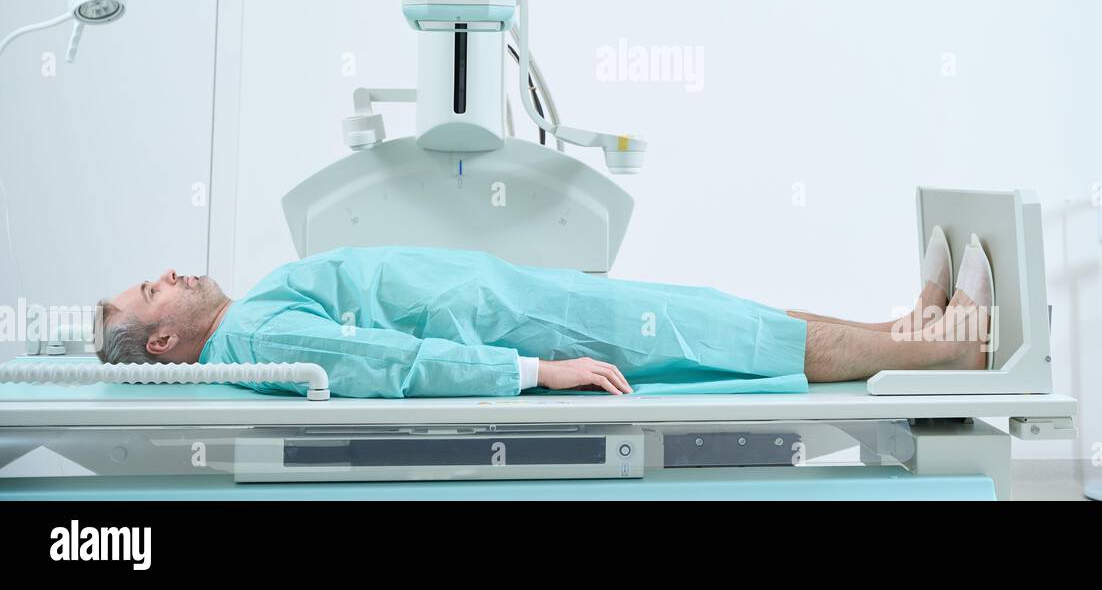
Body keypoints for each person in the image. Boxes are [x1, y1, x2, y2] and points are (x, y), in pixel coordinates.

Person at [94, 228, 993, 398]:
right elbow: (385, 364)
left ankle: (913, 328)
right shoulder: (257, 339)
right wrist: (532, 373)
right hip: (534, 330)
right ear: (165, 339)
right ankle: (954, 350)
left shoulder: (252, 312)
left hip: (533, 301)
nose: (168, 274)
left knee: (724, 313)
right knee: (739, 335)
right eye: (151, 289)